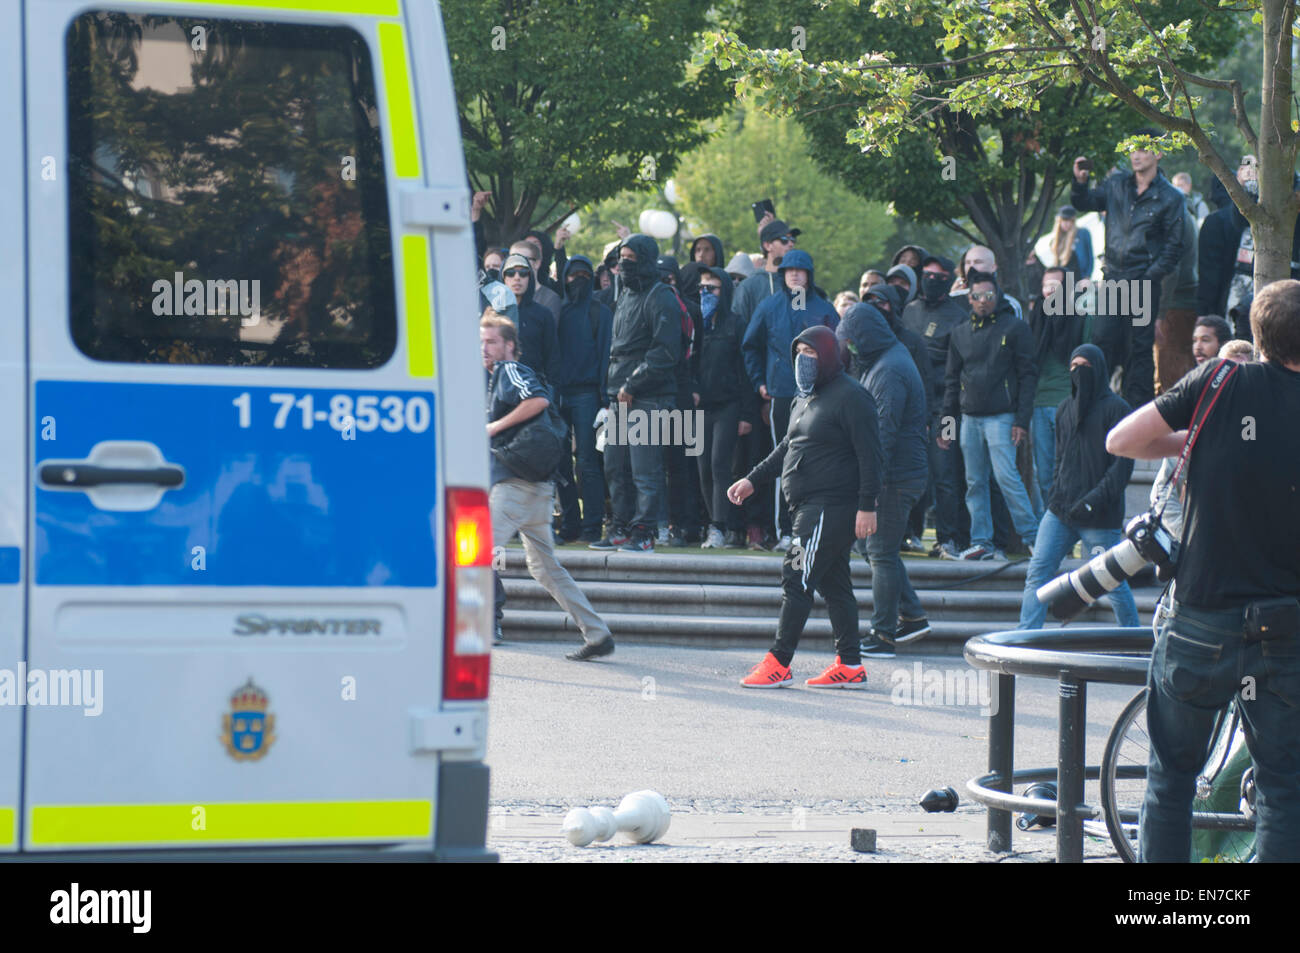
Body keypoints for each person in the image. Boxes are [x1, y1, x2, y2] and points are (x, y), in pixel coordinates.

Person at [1106, 278, 1300, 863]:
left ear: (1256, 335)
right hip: (1286, 627)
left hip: (1201, 620)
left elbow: (1122, 439)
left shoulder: (1218, 379)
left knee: (1170, 782)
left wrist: (1202, 436)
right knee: (1283, 788)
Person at [729, 326, 882, 688]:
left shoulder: (853, 397)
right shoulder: (804, 398)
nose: (803, 361)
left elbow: (872, 456)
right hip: (806, 506)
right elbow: (787, 446)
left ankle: (779, 662)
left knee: (796, 576)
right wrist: (752, 479)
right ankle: (851, 664)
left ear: (829, 355)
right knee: (834, 583)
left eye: (811, 354)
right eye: (798, 353)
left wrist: (867, 506)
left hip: (829, 507)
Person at [481, 313, 614, 661]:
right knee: (545, 568)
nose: (484, 348)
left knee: (471, 556)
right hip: (537, 488)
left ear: (510, 346)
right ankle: (597, 634)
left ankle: (462, 633)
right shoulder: (496, 379)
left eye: (491, 341)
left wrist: (493, 427)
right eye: (481, 341)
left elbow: (538, 400)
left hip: (514, 485)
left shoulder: (509, 370)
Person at [1017, 344, 1137, 629]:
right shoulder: (1064, 409)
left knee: (1113, 582)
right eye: (1073, 367)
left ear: (1099, 369)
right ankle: (1024, 637)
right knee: (1038, 572)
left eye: (1084, 366)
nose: (1077, 373)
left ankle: (1136, 640)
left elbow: (1121, 467)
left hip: (1099, 516)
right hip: (1061, 512)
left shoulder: (1117, 409)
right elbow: (1060, 458)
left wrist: (1092, 501)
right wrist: (1055, 496)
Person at [837, 304, 932, 658]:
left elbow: (884, 433)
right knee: (872, 549)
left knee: (879, 552)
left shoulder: (889, 370)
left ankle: (883, 634)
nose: (848, 348)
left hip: (896, 476)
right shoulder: (887, 360)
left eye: (850, 340)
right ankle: (913, 615)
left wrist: (869, 489)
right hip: (900, 472)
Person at [1071, 130, 1186, 408]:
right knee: (1101, 341)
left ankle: (1136, 414)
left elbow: (1174, 248)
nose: (1135, 155)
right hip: (1112, 278)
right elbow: (1083, 203)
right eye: (1132, 148)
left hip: (1144, 282)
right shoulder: (1116, 183)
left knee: (1139, 350)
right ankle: (1093, 406)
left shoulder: (1171, 197)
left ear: (1157, 153)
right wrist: (1080, 181)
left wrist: (1148, 277)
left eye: (1143, 149)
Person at [742, 248, 840, 550]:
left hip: (819, 396)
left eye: (801, 270)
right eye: (789, 270)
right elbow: (750, 346)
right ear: (782, 274)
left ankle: (810, 529)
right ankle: (785, 531)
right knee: (784, 459)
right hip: (782, 393)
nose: (795, 274)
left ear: (809, 275)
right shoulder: (770, 306)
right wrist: (760, 382)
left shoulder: (823, 308)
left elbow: (840, 350)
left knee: (817, 460)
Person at [940, 271, 1040, 560]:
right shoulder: (959, 332)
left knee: (1007, 477)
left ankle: (1033, 537)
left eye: (988, 295)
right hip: (969, 417)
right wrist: (946, 426)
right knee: (975, 482)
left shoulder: (1015, 328)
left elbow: (1028, 375)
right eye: (976, 296)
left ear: (997, 297)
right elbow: (951, 381)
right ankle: (982, 541)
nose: (982, 301)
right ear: (968, 298)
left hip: (1003, 417)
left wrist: (1022, 420)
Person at [591, 233, 682, 553]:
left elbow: (665, 351)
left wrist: (633, 384)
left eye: (630, 258)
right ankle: (620, 525)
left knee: (646, 469)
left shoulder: (662, 296)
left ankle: (644, 531)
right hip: (619, 394)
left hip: (648, 396)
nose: (623, 264)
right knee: (615, 466)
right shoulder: (626, 294)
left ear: (644, 259)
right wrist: (616, 389)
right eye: (621, 257)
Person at [903, 254, 969, 559]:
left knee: (946, 473)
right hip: (910, 407)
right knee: (907, 474)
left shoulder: (957, 316)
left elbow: (957, 374)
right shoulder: (909, 311)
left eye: (939, 276)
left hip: (947, 408)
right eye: (927, 274)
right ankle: (907, 533)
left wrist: (946, 416)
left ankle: (949, 538)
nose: (932, 280)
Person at [694, 266, 755, 548]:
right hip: (699, 408)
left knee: (720, 464)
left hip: (729, 405)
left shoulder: (736, 323)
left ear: (725, 291)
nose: (706, 292)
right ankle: (716, 524)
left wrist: (746, 414)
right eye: (702, 287)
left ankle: (721, 526)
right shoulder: (696, 324)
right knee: (703, 467)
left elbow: (745, 371)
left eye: (713, 288)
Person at [554, 255, 612, 544]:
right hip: (560, 394)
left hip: (589, 394)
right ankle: (569, 525)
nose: (578, 280)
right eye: (572, 275)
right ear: (564, 278)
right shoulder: (558, 311)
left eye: (584, 275)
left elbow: (605, 355)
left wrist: (604, 397)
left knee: (588, 462)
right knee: (561, 462)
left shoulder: (600, 312)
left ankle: (591, 526)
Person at [1026, 266, 1095, 509]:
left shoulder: (1082, 317)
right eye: (1045, 286)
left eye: (1055, 286)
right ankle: (1050, 528)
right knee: (1044, 475)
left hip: (1068, 404)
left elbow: (1089, 360)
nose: (1049, 292)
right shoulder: (1037, 319)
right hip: (1039, 404)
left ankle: (1070, 524)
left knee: (1070, 472)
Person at [1153, 194, 1200, 394]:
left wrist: (1159, 314)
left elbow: (1170, 271)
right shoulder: (1186, 215)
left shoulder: (1174, 219)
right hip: (1183, 301)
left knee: (1170, 379)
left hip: (1173, 305)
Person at [500, 251, 560, 385]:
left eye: (523, 273)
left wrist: (551, 394)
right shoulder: (492, 315)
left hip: (534, 389)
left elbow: (552, 359)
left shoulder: (543, 314)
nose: (517, 278)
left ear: (530, 277)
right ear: (503, 278)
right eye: (510, 273)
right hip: (499, 389)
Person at [1033, 206, 1094, 279]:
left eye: (1070, 221)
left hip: (1079, 276)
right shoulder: (1055, 239)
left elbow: (1090, 257)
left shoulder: (1082, 233)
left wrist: (1087, 276)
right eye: (1064, 220)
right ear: (1059, 221)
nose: (1067, 223)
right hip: (1062, 278)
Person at [510, 240, 562, 320]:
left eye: (522, 259)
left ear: (537, 263)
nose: (517, 263)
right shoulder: (503, 296)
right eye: (512, 259)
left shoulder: (550, 299)